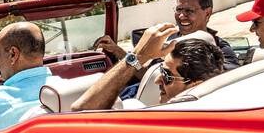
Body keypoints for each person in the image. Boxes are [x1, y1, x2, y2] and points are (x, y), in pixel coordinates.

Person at [74, 22, 226, 111]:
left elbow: (81, 111)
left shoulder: (159, 123)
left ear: (195, 85)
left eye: (167, 76)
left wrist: (138, 55)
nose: (157, 80)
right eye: (161, 71)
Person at [93, 0, 240, 72]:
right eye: (179, 10)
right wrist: (119, 51)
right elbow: (145, 74)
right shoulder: (169, 43)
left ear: (207, 13)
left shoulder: (219, 49)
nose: (181, 16)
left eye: (189, 11)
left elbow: (229, 77)